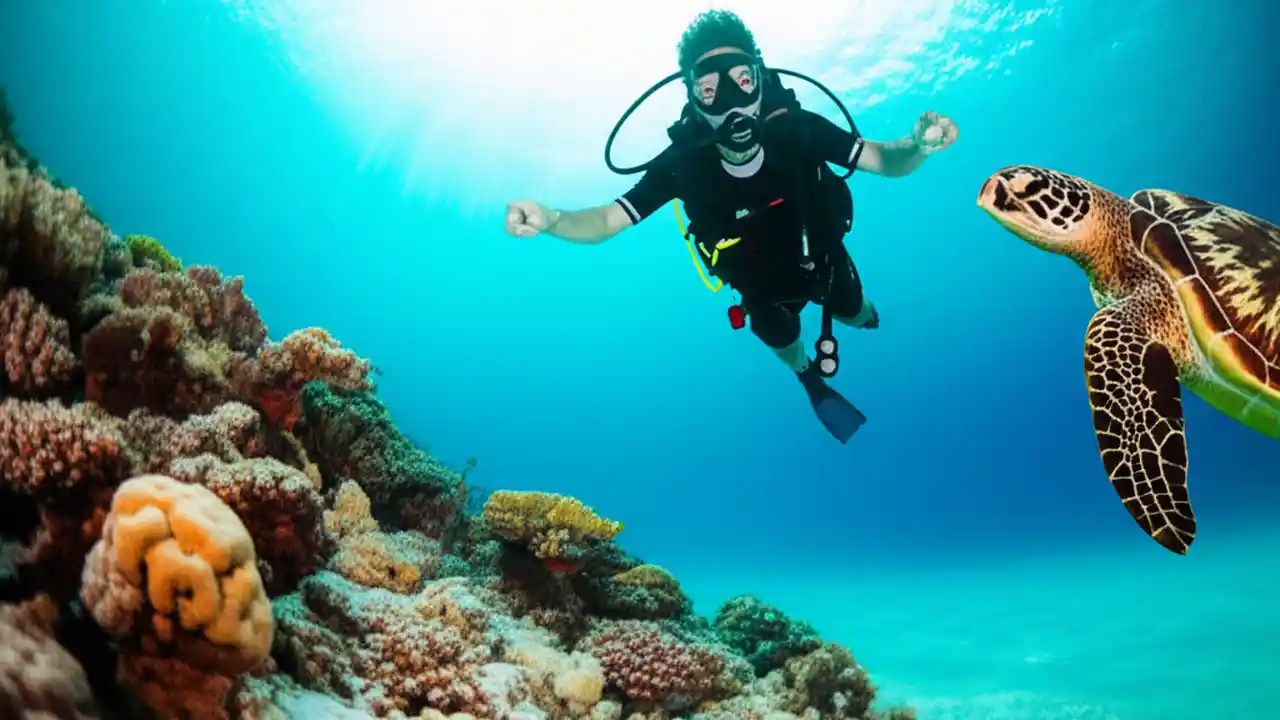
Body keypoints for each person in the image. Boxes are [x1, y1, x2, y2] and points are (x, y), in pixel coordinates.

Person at [503, 10, 957, 442]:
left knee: (856, 311)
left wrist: (916, 145)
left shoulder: (798, 131)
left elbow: (883, 158)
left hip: (823, 263)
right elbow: (605, 220)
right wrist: (554, 220)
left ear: (761, 82)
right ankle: (806, 376)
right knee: (781, 338)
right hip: (757, 291)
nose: (732, 104)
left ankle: (860, 318)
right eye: (710, 89)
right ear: (693, 98)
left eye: (743, 82)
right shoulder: (683, 167)